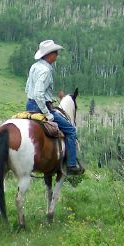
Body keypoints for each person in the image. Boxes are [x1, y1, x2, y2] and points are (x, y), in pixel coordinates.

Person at [25, 39, 84, 176]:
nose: (57, 55)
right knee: (71, 131)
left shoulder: (35, 67)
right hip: (41, 107)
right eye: (55, 52)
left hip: (29, 105)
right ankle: (71, 164)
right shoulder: (46, 71)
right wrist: (47, 113)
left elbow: (28, 88)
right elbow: (39, 94)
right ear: (49, 55)